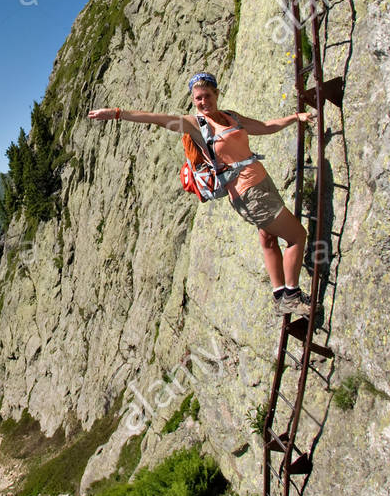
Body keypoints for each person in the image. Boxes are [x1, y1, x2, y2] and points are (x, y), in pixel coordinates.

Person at [87, 71, 313, 315]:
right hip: (248, 196)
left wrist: (295, 117)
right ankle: (291, 295)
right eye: (197, 99)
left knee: (267, 238)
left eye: (206, 96)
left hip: (262, 183)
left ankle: (280, 295)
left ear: (216, 93)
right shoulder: (195, 125)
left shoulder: (231, 117)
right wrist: (118, 114)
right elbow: (157, 119)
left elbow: (266, 127)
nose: (203, 102)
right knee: (297, 236)